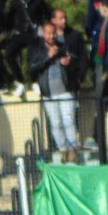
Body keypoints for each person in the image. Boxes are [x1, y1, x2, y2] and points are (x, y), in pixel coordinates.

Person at [29, 21, 83, 163]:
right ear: (43, 34)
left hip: (65, 91)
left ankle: (73, 150)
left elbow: (78, 62)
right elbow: (32, 69)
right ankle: (63, 150)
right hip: (48, 94)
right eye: (49, 33)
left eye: (54, 33)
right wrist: (48, 57)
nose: (52, 36)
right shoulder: (37, 50)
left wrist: (69, 62)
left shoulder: (63, 47)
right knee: (56, 123)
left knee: (68, 120)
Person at [3, 0, 51, 97]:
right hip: (20, 34)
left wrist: (46, 31)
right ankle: (20, 81)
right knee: (9, 54)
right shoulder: (15, 3)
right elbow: (9, 18)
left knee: (32, 56)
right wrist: (7, 31)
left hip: (34, 34)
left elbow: (49, 16)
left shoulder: (39, 1)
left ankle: (34, 81)